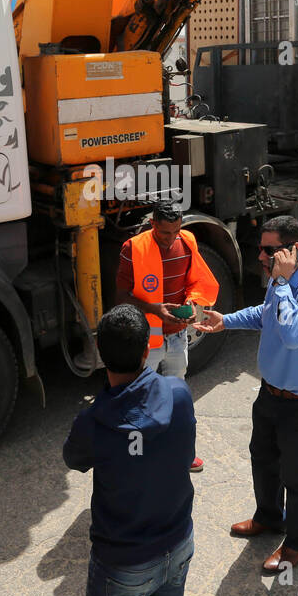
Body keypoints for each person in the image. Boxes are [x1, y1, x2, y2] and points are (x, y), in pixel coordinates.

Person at [195, 215, 298, 573]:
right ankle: (269, 518)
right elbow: (269, 316)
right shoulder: (281, 280)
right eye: (259, 249)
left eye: (268, 251)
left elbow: (293, 333)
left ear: (292, 250)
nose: (260, 257)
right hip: (271, 394)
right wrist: (225, 321)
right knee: (263, 459)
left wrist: (279, 281)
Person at [63, 304, 196, 596]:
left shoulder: (92, 422)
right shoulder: (178, 393)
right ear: (145, 350)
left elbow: (73, 458)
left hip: (122, 563)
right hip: (178, 542)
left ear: (99, 350)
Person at [116, 201, 219, 472]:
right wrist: (155, 310)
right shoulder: (133, 248)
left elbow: (196, 281)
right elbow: (121, 296)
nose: (170, 238)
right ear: (152, 225)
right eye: (164, 233)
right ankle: (139, 458)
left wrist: (192, 302)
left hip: (177, 336)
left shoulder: (187, 242)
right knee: (141, 398)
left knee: (176, 396)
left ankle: (180, 454)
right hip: (145, 338)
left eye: (175, 231)